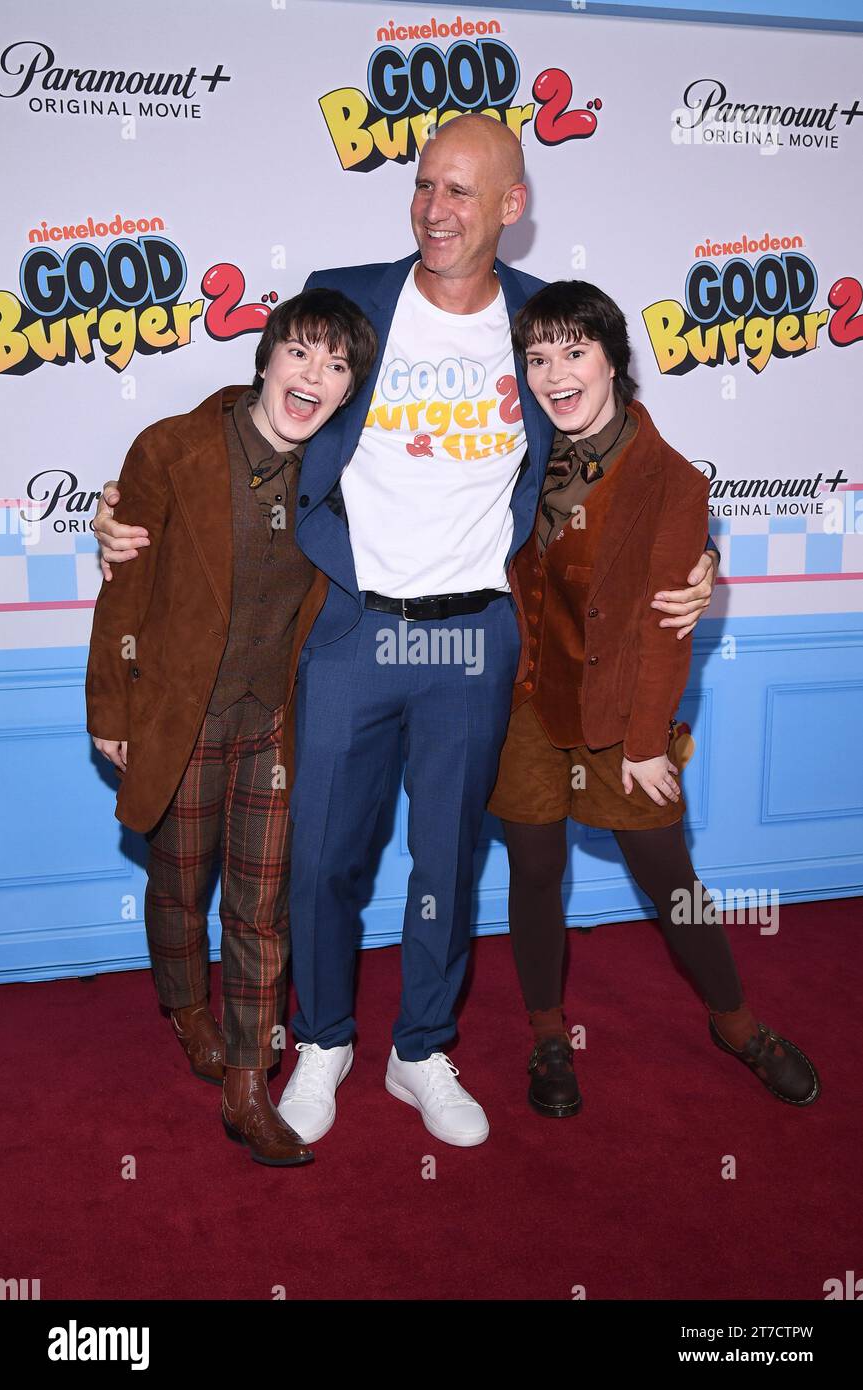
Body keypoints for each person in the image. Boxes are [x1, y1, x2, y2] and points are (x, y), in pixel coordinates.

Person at [92, 115, 720, 1150]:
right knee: (319, 859)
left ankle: (420, 1046)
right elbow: (258, 399)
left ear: (511, 209)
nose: (435, 207)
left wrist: (698, 560)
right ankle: (324, 1037)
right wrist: (135, 495)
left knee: (444, 861)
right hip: (349, 628)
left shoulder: (536, 322)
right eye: (426, 184)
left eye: (462, 191)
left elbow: (626, 443)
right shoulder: (354, 294)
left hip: (474, 639)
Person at [487, 279, 820, 1117]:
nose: (555, 374)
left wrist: (642, 744)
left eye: (574, 352)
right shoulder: (521, 449)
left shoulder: (669, 480)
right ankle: (547, 1034)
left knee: (668, 879)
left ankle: (737, 1024)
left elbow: (669, 628)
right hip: (526, 701)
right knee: (532, 869)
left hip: (618, 715)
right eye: (537, 357)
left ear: (611, 361)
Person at [85, 288, 377, 1166]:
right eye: (300, 354)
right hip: (183, 712)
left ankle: (249, 1084)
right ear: (265, 358)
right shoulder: (170, 447)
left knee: (260, 908)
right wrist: (113, 707)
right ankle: (183, 1005)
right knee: (179, 882)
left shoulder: (339, 474)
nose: (313, 377)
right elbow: (123, 587)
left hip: (277, 723)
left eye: (336, 367)